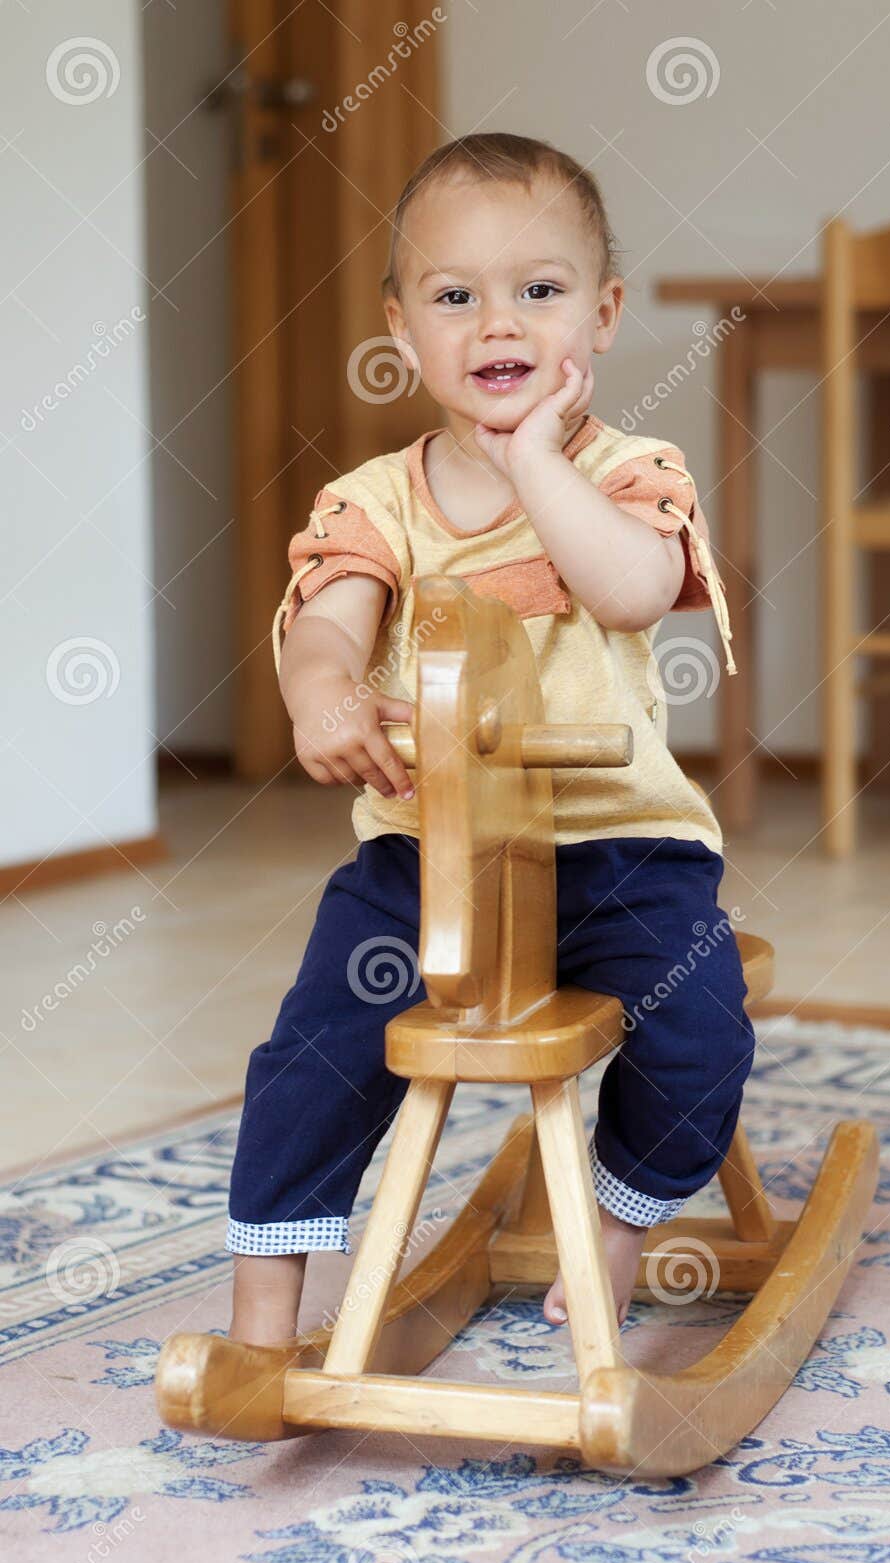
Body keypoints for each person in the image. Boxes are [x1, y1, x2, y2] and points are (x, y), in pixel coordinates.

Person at [225, 132, 756, 1347]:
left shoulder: (630, 472)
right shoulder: (374, 502)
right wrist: (321, 692)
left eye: (540, 291)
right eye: (455, 296)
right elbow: (326, 624)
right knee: (313, 1051)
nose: (497, 322)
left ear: (603, 313)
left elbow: (626, 590)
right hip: (427, 855)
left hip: (622, 851)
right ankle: (263, 1324)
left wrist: (531, 460)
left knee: (698, 1030)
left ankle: (613, 1229)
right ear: (403, 330)